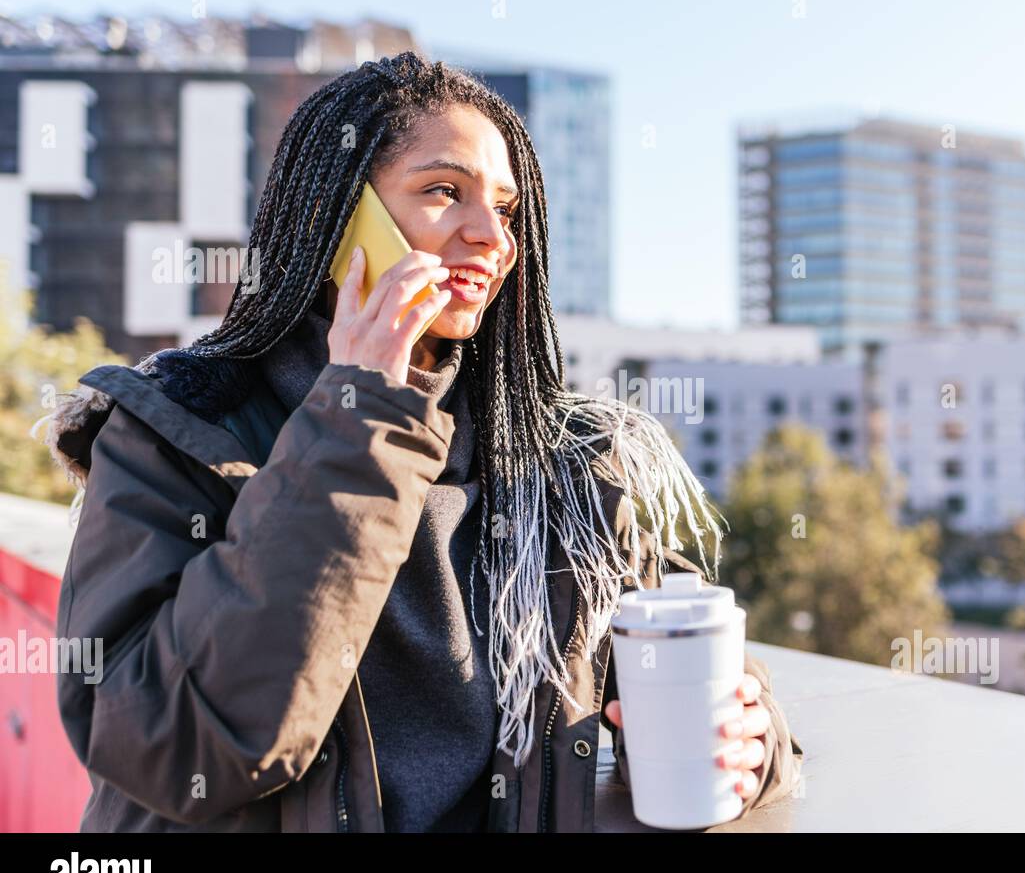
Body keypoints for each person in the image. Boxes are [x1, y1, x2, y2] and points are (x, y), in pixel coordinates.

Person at [36, 51, 802, 832]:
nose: (492, 239)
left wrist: (750, 735)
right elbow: (166, 742)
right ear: (336, 219)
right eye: (444, 192)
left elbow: (677, 635)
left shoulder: (563, 463)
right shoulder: (180, 429)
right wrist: (359, 418)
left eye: (505, 209)